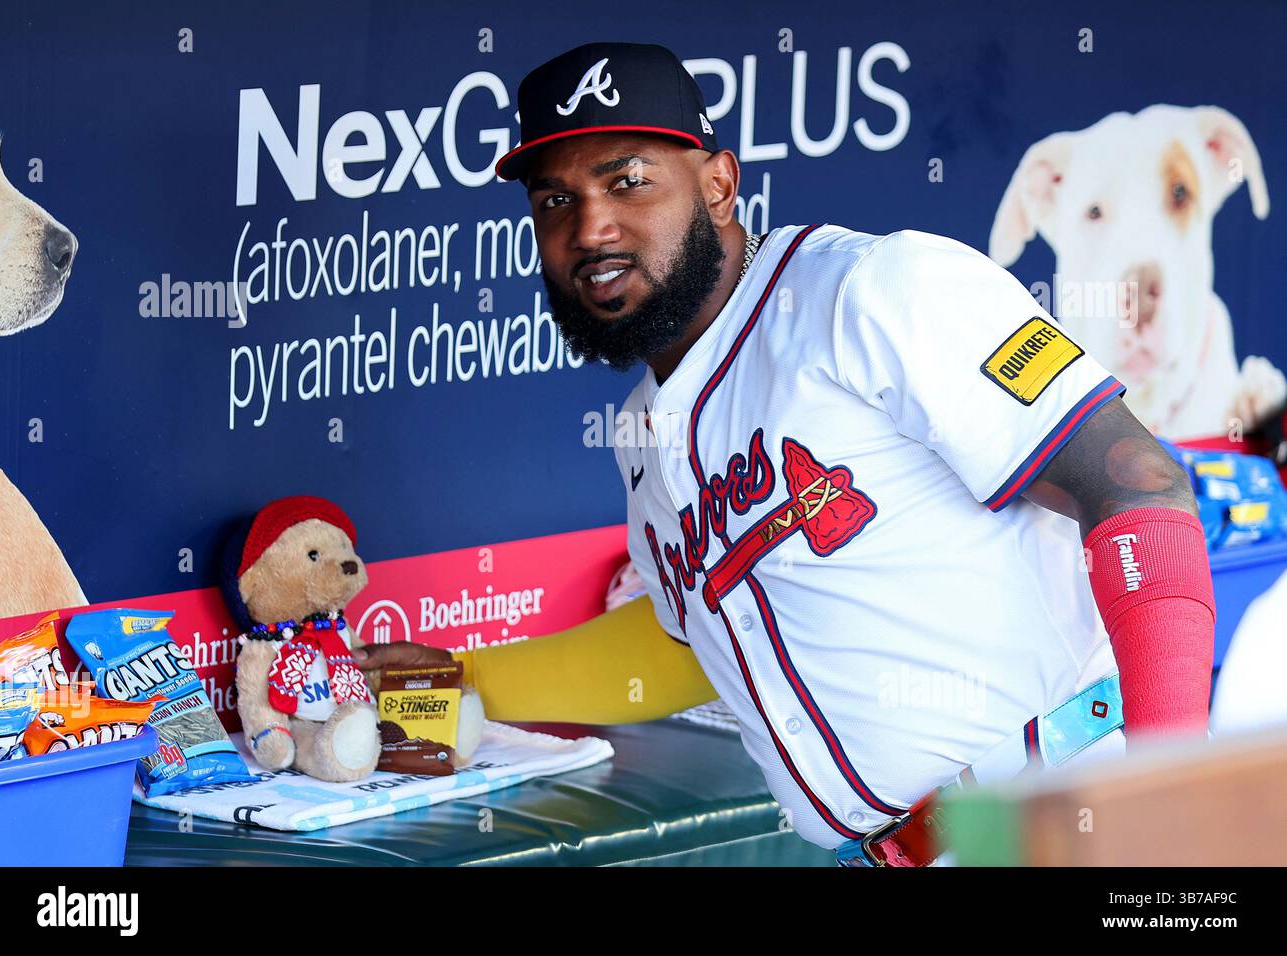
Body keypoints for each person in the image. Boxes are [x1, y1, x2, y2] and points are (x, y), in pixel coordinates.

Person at [355, 41, 1216, 867]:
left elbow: (1137, 486)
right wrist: (463, 679)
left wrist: (1171, 800)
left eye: (628, 180)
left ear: (720, 184)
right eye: (555, 201)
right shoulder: (644, 434)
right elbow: (686, 649)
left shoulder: (874, 290)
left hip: (1064, 810)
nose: (592, 228)